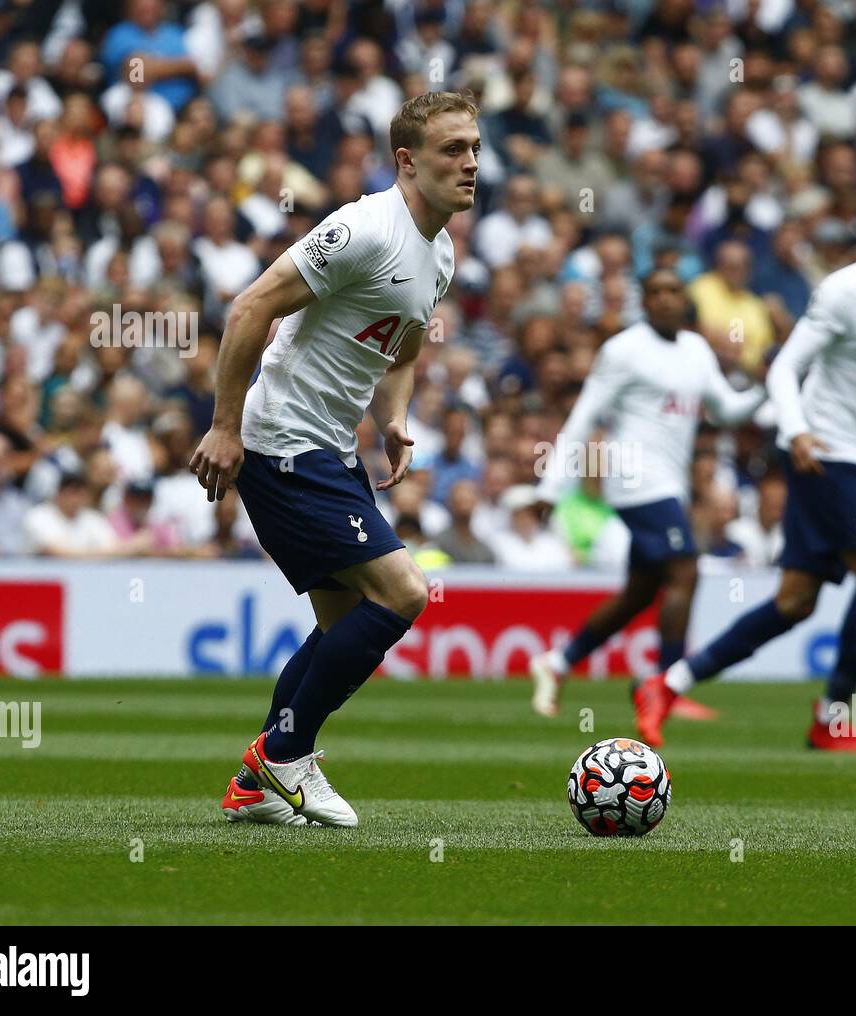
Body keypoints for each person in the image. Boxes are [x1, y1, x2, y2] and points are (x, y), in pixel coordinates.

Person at [190, 91, 480, 827]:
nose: (470, 163)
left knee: (341, 621)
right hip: (284, 443)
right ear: (407, 161)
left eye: (475, 147)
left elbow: (404, 344)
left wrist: (395, 418)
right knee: (407, 593)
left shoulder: (438, 249)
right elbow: (252, 305)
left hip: (330, 449)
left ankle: (259, 783)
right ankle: (284, 758)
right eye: (453, 149)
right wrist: (225, 426)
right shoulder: (362, 229)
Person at [634, 180, 856, 752]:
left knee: (796, 602)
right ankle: (833, 717)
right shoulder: (845, 291)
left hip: (848, 456)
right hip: (823, 451)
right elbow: (783, 368)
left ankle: (667, 685)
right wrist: (797, 431)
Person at [529, 267, 765, 717]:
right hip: (634, 477)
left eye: (673, 290)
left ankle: (557, 662)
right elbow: (583, 416)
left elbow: (728, 410)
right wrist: (552, 484)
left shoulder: (696, 350)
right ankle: (666, 685)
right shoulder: (623, 351)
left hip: (668, 482)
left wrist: (763, 388)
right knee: (685, 569)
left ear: (685, 298)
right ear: (644, 300)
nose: (664, 299)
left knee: (640, 591)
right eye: (654, 292)